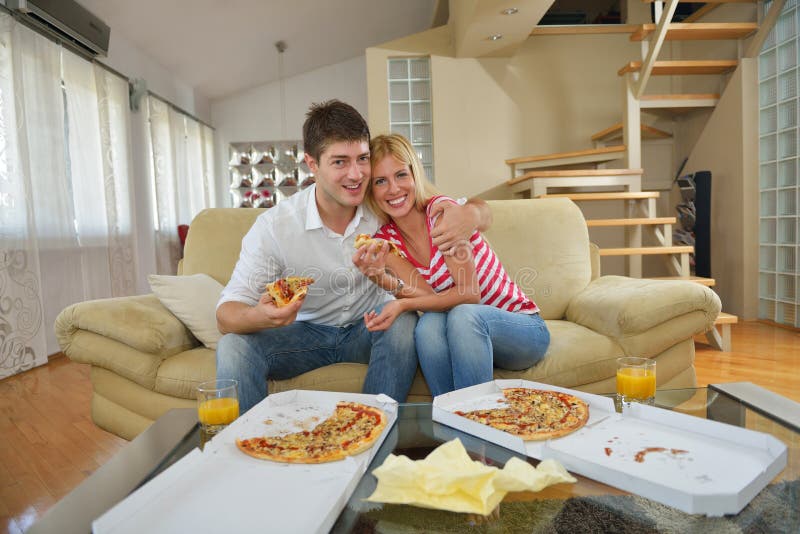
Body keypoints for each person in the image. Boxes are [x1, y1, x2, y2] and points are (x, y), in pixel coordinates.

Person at [215, 100, 490, 412]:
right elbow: (226, 313)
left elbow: (452, 209)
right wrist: (259, 317)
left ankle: (371, 435)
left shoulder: (385, 206)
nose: (356, 174)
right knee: (233, 346)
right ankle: (250, 450)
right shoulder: (275, 227)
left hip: (369, 329)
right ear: (312, 163)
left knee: (403, 325)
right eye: (340, 162)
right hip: (304, 335)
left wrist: (472, 214)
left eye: (362, 159)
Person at [353, 133, 550, 397]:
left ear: (415, 176)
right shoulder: (386, 241)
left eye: (401, 175)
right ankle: (453, 423)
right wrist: (380, 277)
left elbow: (469, 294)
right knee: (429, 326)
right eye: (380, 181)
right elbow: (430, 298)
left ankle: (476, 426)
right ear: (371, 191)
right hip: (466, 338)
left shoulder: (442, 214)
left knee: (463, 315)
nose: (394, 189)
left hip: (521, 330)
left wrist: (400, 304)